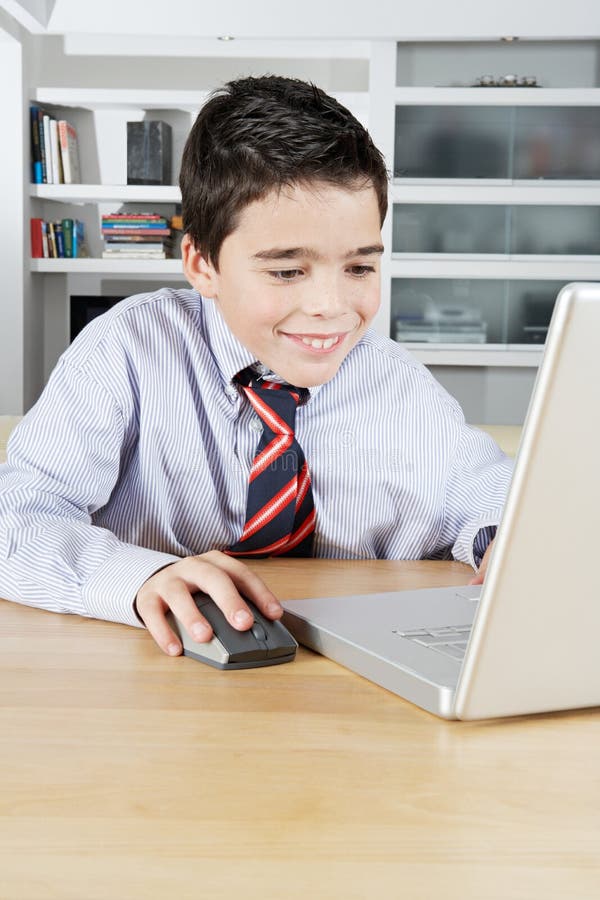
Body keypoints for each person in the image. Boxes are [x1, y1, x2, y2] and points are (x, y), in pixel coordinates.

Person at [0, 75, 512, 656]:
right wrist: (135, 577)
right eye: (287, 271)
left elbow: (489, 490)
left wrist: (508, 539)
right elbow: (16, 518)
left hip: (349, 679)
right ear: (201, 264)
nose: (331, 307)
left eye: (360, 268)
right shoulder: (125, 350)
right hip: (151, 670)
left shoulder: (393, 377)